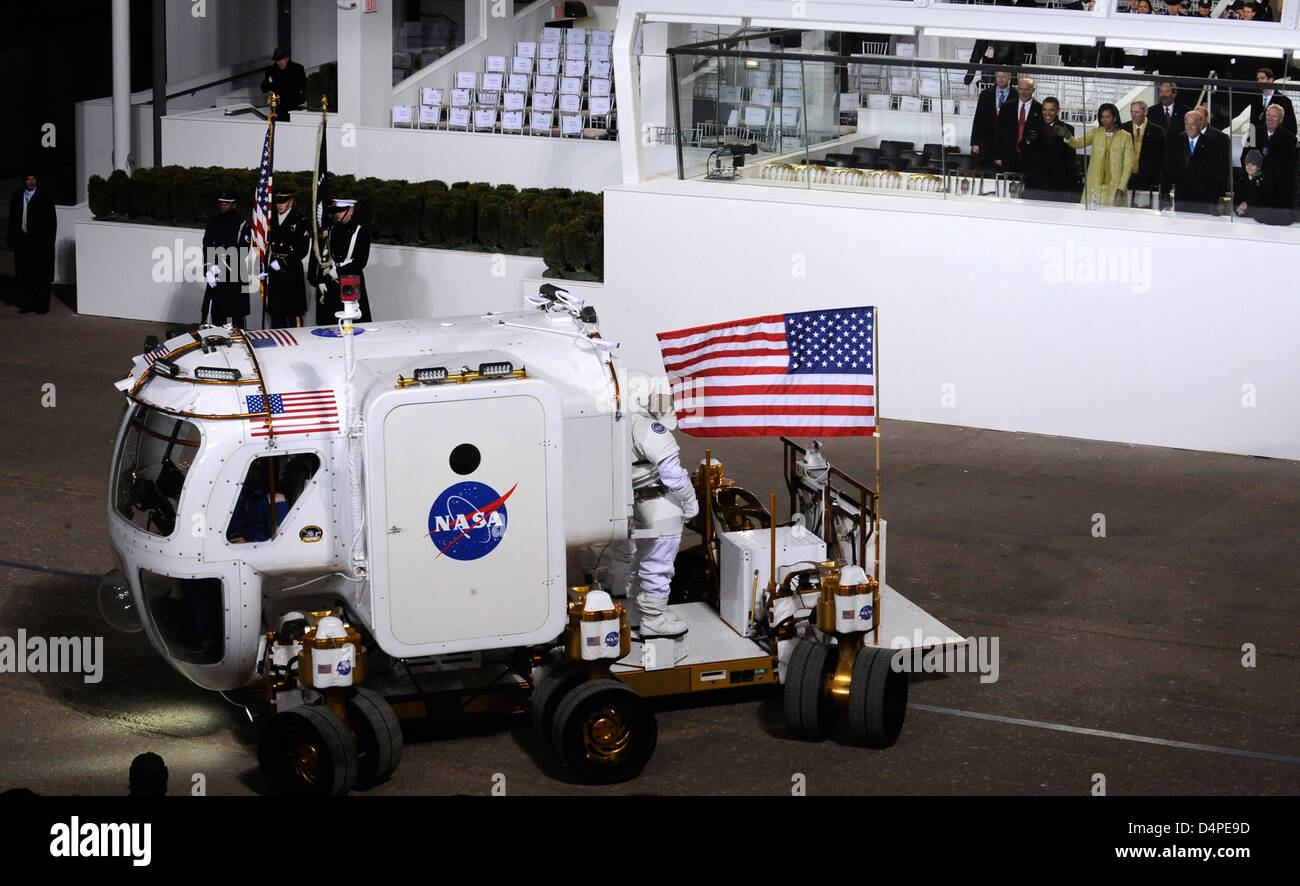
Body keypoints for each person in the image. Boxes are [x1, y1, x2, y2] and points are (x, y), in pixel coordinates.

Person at [612, 370, 699, 639]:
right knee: (659, 559)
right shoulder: (646, 428)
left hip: (629, 502)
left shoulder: (615, 423)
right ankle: (654, 618)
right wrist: (690, 503)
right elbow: (674, 475)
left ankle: (637, 609)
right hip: (658, 502)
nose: (656, 400)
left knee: (638, 557)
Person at [308, 197, 372, 325]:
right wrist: (321, 279)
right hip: (331, 282)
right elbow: (325, 256)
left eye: (341, 211)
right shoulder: (333, 230)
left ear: (351, 211)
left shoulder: (361, 232)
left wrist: (339, 271)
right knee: (330, 322)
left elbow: (360, 262)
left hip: (350, 281)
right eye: (336, 211)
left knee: (352, 322)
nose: (337, 214)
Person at [1161, 108, 1231, 214]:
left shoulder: (1211, 146)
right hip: (1182, 199)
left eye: (1192, 124)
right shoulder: (1177, 143)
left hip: (1203, 201)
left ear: (1200, 124)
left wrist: (1214, 201)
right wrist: (1165, 194)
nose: (1189, 128)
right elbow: (1168, 171)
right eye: (1187, 124)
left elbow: (1217, 176)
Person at [7, 172, 56, 315]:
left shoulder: (44, 197)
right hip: (23, 240)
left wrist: (49, 240)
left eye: (33, 178)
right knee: (24, 274)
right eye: (28, 179)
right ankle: (28, 304)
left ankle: (42, 306)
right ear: (24, 181)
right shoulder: (17, 197)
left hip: (39, 242)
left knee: (41, 274)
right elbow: (12, 219)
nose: (31, 181)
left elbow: (51, 221)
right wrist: (12, 240)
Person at [1066, 103, 1134, 206]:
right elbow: (1078, 143)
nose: (1104, 120)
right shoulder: (1095, 132)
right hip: (1094, 184)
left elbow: (1128, 165)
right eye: (1102, 117)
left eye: (1107, 117)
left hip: (1115, 185)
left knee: (1113, 218)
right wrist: (1067, 136)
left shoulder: (1125, 136)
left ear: (1115, 118)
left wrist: (1121, 187)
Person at [201, 192, 250, 328]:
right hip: (215, 271)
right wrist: (208, 268)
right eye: (221, 203)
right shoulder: (213, 221)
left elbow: (243, 250)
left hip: (235, 272)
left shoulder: (242, 223)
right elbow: (207, 246)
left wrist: (222, 265)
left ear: (234, 205)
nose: (223, 206)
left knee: (238, 315)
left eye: (226, 203)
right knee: (216, 313)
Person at [265, 190, 310, 328]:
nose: (280, 205)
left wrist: (283, 263)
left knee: (292, 312)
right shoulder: (270, 219)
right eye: (278, 202)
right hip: (274, 270)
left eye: (283, 201)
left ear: (291, 202)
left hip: (291, 273)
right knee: (276, 311)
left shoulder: (300, 220)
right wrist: (265, 266)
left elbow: (302, 249)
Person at [1020, 97, 1077, 202]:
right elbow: (1022, 149)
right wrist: (1027, 140)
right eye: (1045, 109)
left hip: (1058, 185)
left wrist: (1070, 186)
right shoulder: (1032, 126)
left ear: (1058, 111)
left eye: (1051, 110)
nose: (1047, 113)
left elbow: (1070, 159)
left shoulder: (1068, 129)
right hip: (1035, 183)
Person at [1246, 103, 1296, 209]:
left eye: (1274, 116)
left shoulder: (1289, 139)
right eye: (1268, 115)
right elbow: (1244, 158)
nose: (1270, 119)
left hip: (1276, 192)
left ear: (1281, 119)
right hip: (1255, 189)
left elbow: (1288, 169)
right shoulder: (1254, 133)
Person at [996, 76, 1043, 174]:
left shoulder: (1040, 109)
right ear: (1017, 89)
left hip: (1030, 158)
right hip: (1008, 157)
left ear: (1033, 90)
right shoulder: (1006, 106)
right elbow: (999, 132)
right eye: (1021, 89)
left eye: (1026, 89)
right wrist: (998, 155)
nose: (1023, 92)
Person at [970, 70, 1014, 169]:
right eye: (998, 76)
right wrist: (975, 143)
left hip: (1005, 147)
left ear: (1010, 77)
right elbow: (978, 119)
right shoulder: (985, 94)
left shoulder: (1016, 96)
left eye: (1004, 76)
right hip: (986, 143)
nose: (1000, 79)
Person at [1122, 100, 1167, 195]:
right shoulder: (1123, 129)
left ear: (1145, 112)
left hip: (1149, 182)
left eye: (1137, 112)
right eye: (1132, 112)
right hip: (1126, 180)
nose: (1133, 115)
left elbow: (1162, 158)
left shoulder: (1158, 132)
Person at [1234, 149, 1288, 223]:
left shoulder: (1266, 181)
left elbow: (1265, 202)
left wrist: (1248, 205)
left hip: (1260, 220)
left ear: (1259, 166)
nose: (1249, 167)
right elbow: (1235, 200)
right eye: (1247, 164)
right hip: (1242, 220)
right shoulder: (1241, 180)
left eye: (1253, 165)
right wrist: (1237, 209)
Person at [1249, 68, 1297, 141]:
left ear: (1271, 80)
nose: (1259, 82)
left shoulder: (1284, 101)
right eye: (1258, 79)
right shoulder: (1255, 99)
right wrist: (1252, 143)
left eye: (1262, 79)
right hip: (1259, 143)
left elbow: (1291, 128)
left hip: (1279, 143)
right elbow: (1253, 124)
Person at [260, 47, 306, 121]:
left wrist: (303, 104)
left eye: (280, 60)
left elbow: (304, 87)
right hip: (278, 110)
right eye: (276, 61)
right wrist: (269, 80)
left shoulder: (297, 69)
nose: (278, 63)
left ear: (287, 59)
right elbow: (264, 88)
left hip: (294, 110)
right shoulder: (271, 70)